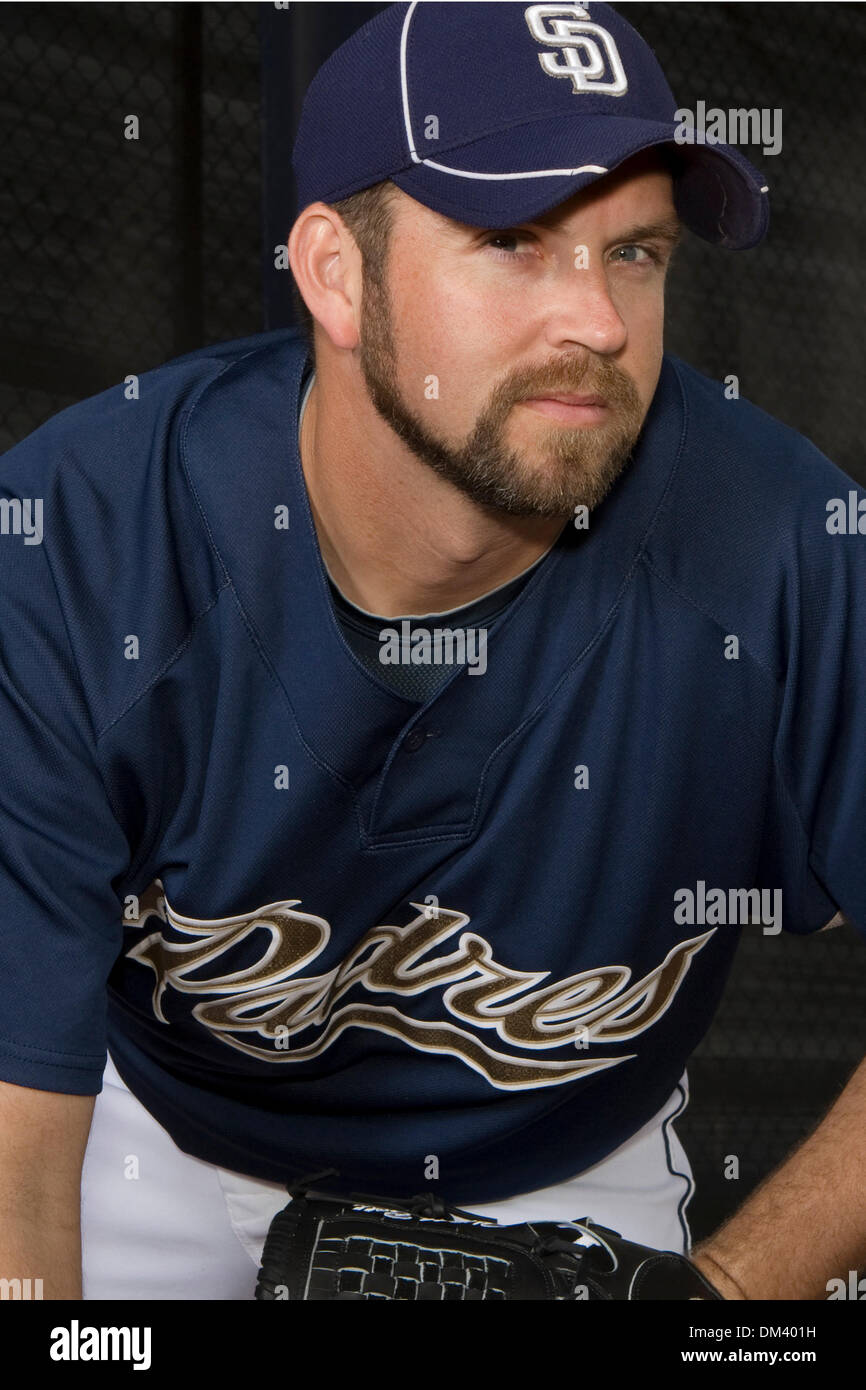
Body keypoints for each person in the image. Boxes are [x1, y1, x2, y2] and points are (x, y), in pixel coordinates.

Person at [1, 1, 864, 1302]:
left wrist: (725, 1295)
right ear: (335, 275)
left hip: (556, 1166)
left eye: (632, 252)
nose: (597, 320)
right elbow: (16, 1160)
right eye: (512, 241)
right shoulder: (82, 539)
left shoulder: (785, 544)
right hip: (154, 1137)